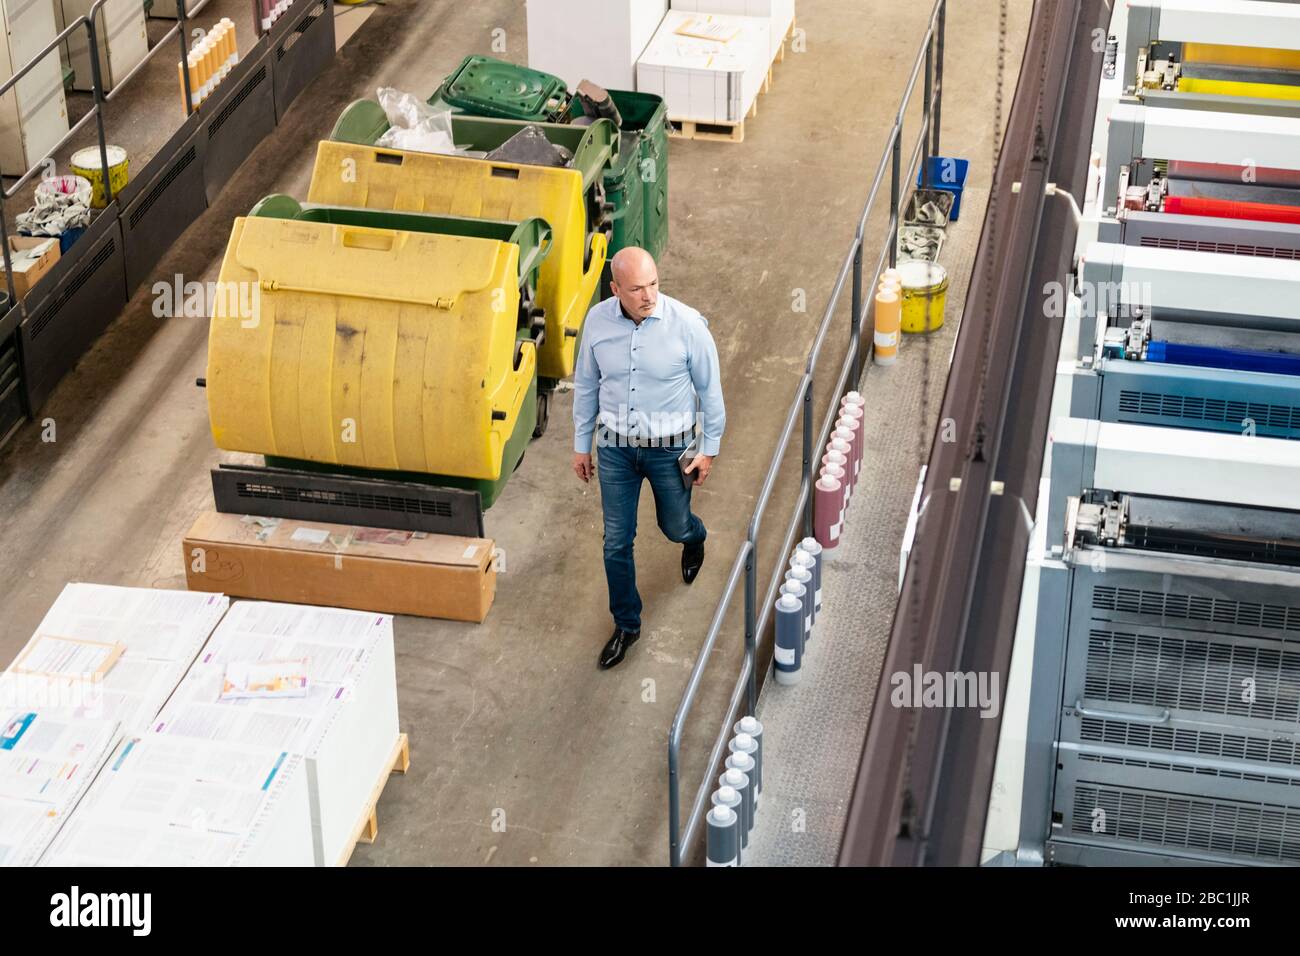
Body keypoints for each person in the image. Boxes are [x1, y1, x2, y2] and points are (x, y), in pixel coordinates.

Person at [572, 248, 726, 670]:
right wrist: (581, 443)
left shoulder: (687, 326)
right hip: (615, 447)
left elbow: (710, 392)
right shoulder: (597, 323)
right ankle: (627, 625)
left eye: (653, 283)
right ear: (615, 289)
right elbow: (586, 384)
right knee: (616, 542)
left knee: (673, 525)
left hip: (670, 447)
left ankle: (694, 538)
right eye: (637, 288)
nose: (648, 295)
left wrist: (708, 448)